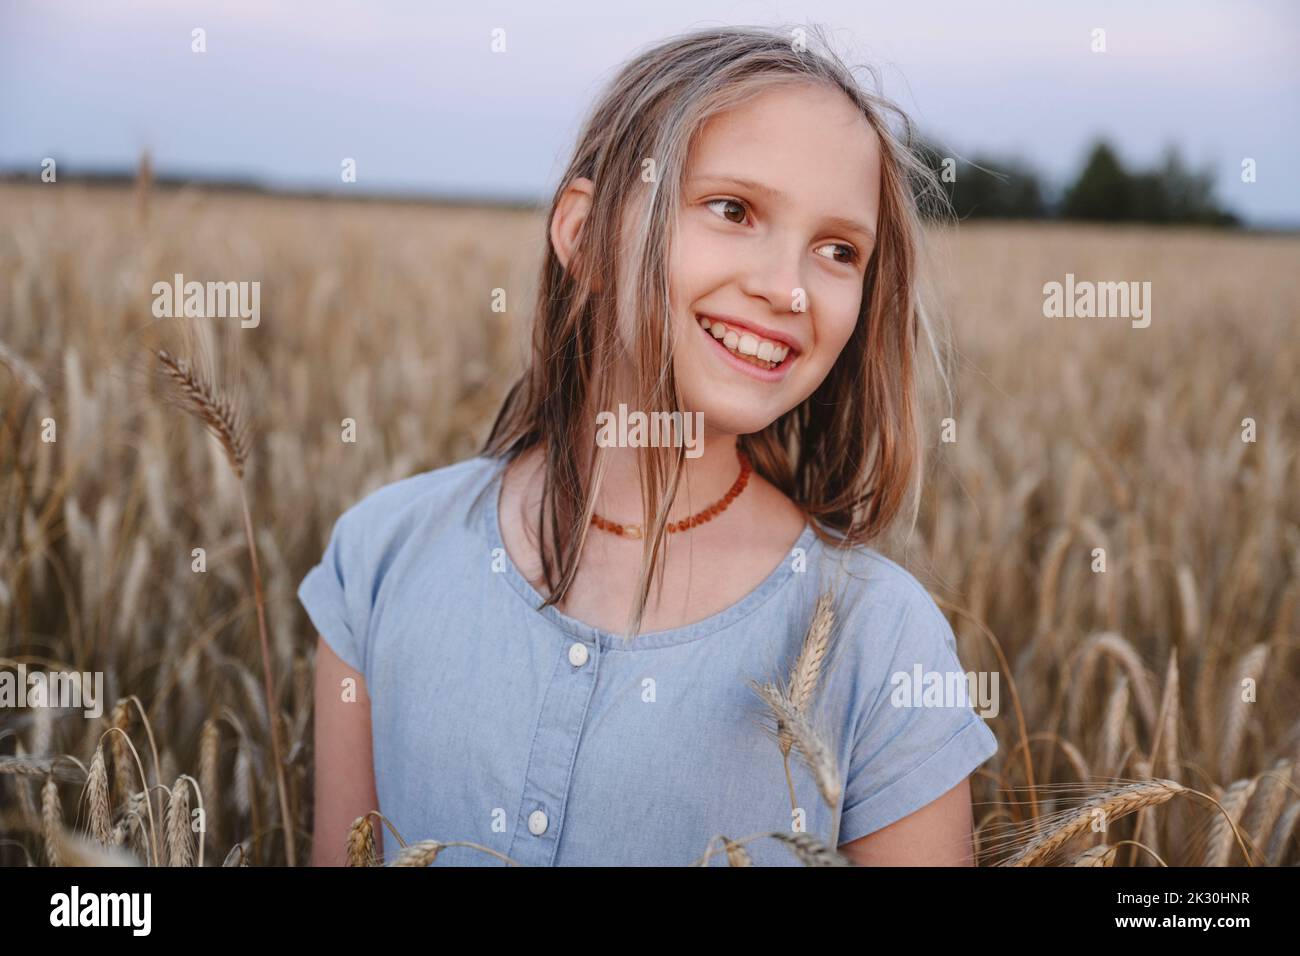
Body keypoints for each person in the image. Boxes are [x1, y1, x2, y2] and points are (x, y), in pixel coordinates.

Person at [302, 24, 997, 867]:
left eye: (838, 250)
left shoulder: (877, 637)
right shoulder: (379, 560)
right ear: (585, 238)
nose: (788, 288)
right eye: (734, 210)